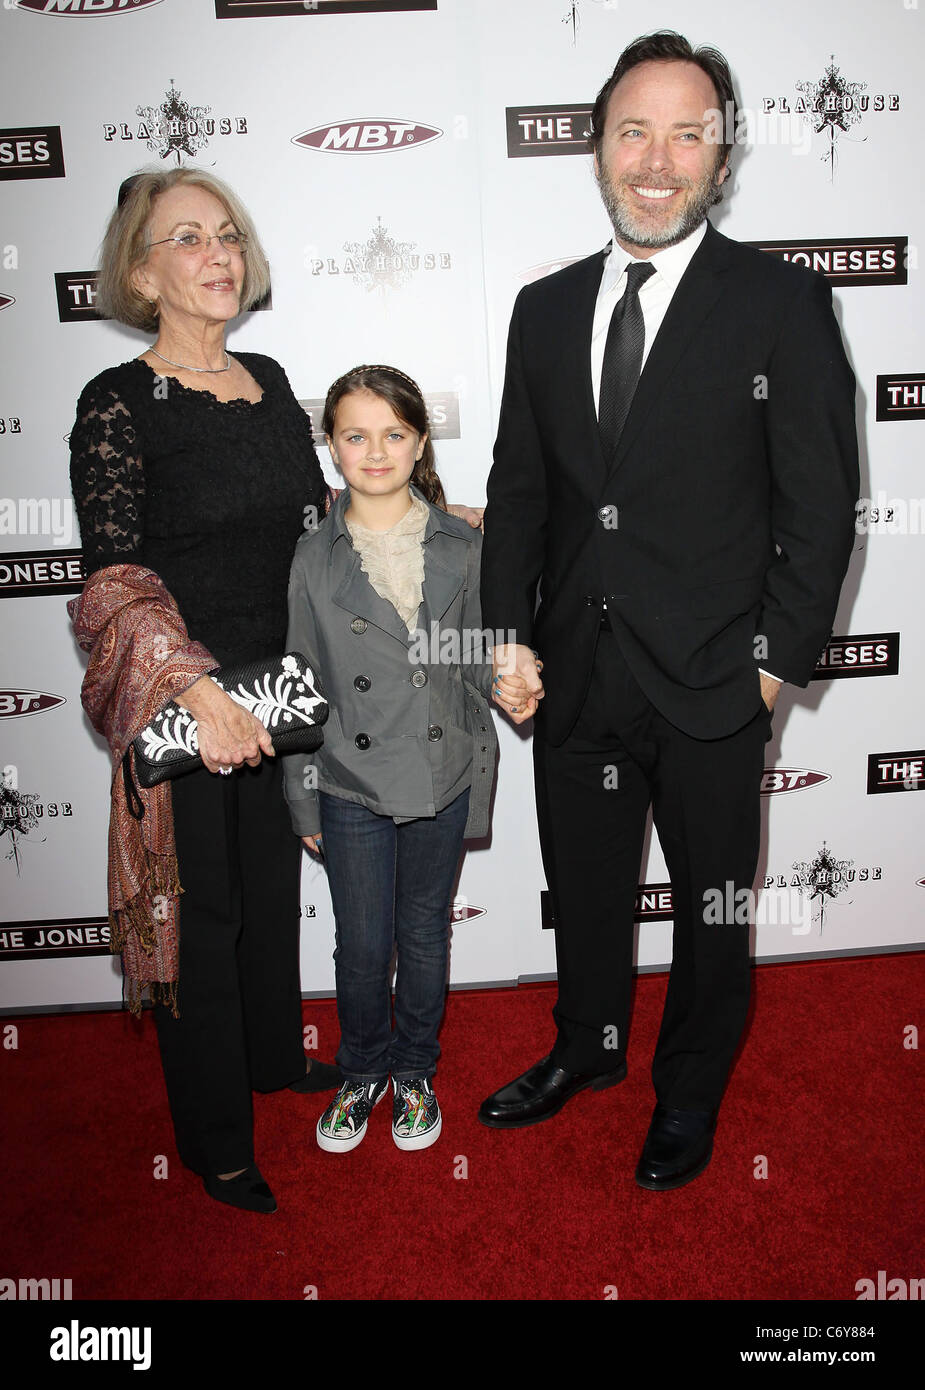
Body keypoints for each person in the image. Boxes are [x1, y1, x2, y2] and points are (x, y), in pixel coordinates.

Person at [479, 32, 859, 1189]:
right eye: (633, 130)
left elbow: (822, 502)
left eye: (687, 133)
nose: (658, 159)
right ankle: (586, 1050)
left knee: (711, 912)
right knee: (586, 893)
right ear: (596, 149)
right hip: (574, 675)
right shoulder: (542, 310)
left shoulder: (782, 303)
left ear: (723, 157)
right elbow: (520, 491)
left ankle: (686, 1090)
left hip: (712, 681)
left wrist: (767, 668)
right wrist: (506, 633)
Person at [68, 167, 344, 1215]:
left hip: (280, 687)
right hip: (190, 700)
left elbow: (317, 524)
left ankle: (274, 1058)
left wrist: (434, 523)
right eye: (187, 239)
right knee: (207, 914)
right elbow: (113, 579)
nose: (218, 255)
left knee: (273, 895)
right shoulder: (118, 403)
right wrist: (197, 692)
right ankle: (217, 1140)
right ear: (142, 272)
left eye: (227, 234)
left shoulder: (269, 381)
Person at [283, 365, 503, 1153]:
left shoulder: (463, 544)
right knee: (363, 943)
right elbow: (298, 686)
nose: (374, 451)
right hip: (350, 780)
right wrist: (304, 800)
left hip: (442, 773)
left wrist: (510, 674)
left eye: (393, 434)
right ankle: (360, 1071)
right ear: (332, 446)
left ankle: (414, 1069)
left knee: (423, 935)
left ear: (418, 443)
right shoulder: (312, 556)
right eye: (354, 435)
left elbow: (476, 654)